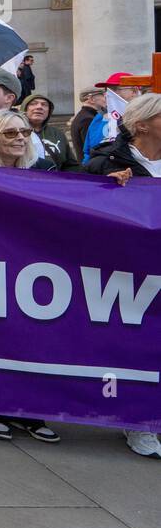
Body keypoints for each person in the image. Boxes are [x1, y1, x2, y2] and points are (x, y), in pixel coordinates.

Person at [0, 109, 61, 444]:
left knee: (32, 336)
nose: (20, 138)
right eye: (10, 133)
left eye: (25, 133)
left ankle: (29, 407)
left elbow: (88, 183)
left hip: (34, 268)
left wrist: (116, 179)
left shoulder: (43, 169)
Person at [83, 95, 161, 459]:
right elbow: (74, 200)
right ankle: (139, 422)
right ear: (142, 125)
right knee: (138, 346)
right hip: (130, 271)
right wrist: (107, 187)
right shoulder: (106, 161)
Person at [83, 73, 149, 155]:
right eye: (107, 90)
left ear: (134, 91)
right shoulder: (99, 118)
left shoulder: (148, 118)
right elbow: (88, 151)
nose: (109, 94)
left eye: (115, 89)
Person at [20, 93, 77, 171]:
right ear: (25, 109)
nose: (39, 107)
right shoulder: (16, 132)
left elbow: (70, 164)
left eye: (44, 105)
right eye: (33, 104)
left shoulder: (57, 133)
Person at [69, 87, 105, 162]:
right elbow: (93, 147)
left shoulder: (83, 116)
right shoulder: (88, 119)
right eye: (103, 96)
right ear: (91, 99)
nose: (105, 99)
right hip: (91, 166)